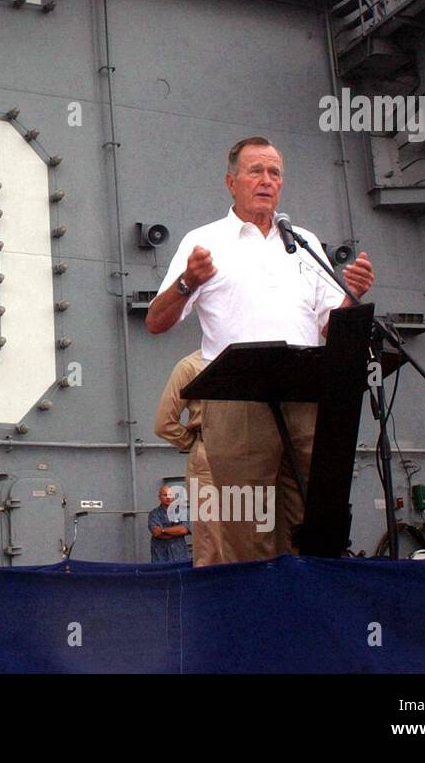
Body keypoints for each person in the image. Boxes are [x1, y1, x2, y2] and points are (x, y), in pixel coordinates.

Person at [145, 137, 375, 564]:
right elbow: (157, 322)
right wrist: (188, 282)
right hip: (238, 402)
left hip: (306, 397)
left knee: (312, 523)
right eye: (256, 171)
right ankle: (251, 623)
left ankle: (304, 619)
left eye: (275, 173)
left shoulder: (303, 241)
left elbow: (329, 324)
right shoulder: (204, 240)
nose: (266, 181)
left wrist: (352, 295)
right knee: (247, 533)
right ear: (232, 182)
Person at [153, 350, 223, 565]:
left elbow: (164, 423)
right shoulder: (191, 366)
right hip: (251, 451)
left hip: (212, 450)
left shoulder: (192, 365)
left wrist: (197, 442)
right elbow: (164, 424)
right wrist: (196, 443)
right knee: (256, 535)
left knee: (214, 543)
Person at [148, 485, 191, 563]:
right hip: (161, 557)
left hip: (180, 556)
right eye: (165, 495)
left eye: (170, 495)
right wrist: (176, 532)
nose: (168, 497)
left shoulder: (181, 512)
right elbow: (156, 532)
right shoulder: (154, 514)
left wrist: (163, 530)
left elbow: (183, 530)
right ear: (159, 497)